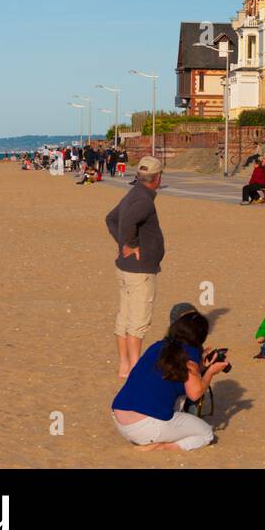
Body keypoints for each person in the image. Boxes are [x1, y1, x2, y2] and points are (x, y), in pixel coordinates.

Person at [110, 310, 224, 452]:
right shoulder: (190, 356)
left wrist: (201, 366)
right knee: (206, 434)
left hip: (121, 419)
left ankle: (158, 436)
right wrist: (211, 372)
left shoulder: (158, 346)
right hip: (146, 426)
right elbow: (195, 393)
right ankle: (164, 446)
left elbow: (173, 373)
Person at [106, 156, 167, 378]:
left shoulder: (134, 193)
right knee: (138, 321)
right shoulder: (143, 200)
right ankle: (133, 368)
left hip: (126, 267)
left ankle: (124, 366)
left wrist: (124, 244)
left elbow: (111, 219)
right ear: (157, 178)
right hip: (139, 270)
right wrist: (129, 244)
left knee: (126, 316)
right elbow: (125, 222)